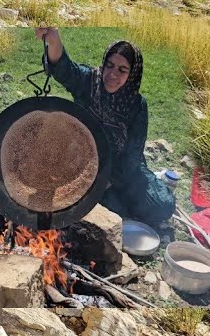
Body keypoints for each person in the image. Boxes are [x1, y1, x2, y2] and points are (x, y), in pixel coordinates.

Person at [33, 28, 175, 230]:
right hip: (82, 160)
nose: (112, 75)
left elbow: (133, 155)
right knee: (108, 209)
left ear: (132, 74)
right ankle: (114, 202)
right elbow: (64, 69)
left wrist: (107, 181)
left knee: (162, 206)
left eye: (122, 70)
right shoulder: (89, 81)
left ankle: (127, 193)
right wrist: (54, 41)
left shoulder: (136, 105)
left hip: (122, 168)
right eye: (109, 65)